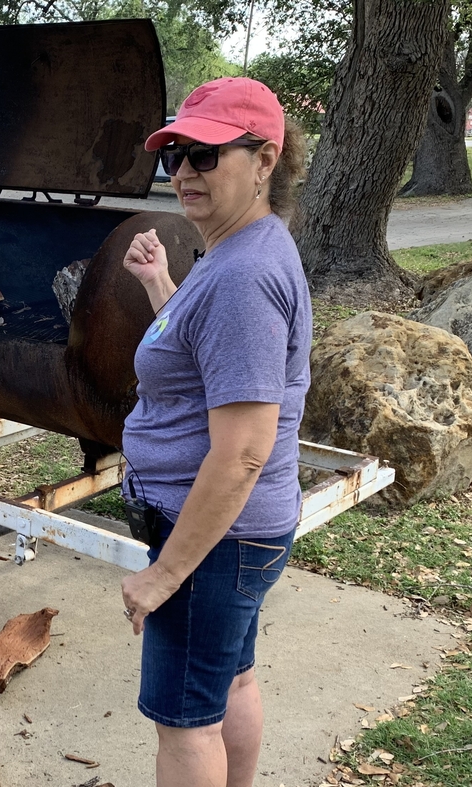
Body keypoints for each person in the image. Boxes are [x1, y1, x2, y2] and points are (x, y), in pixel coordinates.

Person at [117, 77, 312, 787]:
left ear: (265, 159)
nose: (184, 173)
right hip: (239, 537)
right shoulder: (241, 250)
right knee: (229, 682)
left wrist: (164, 574)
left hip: (213, 542)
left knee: (184, 718)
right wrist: (160, 285)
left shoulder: (242, 275)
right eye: (174, 157)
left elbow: (243, 450)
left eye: (206, 155)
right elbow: (213, 362)